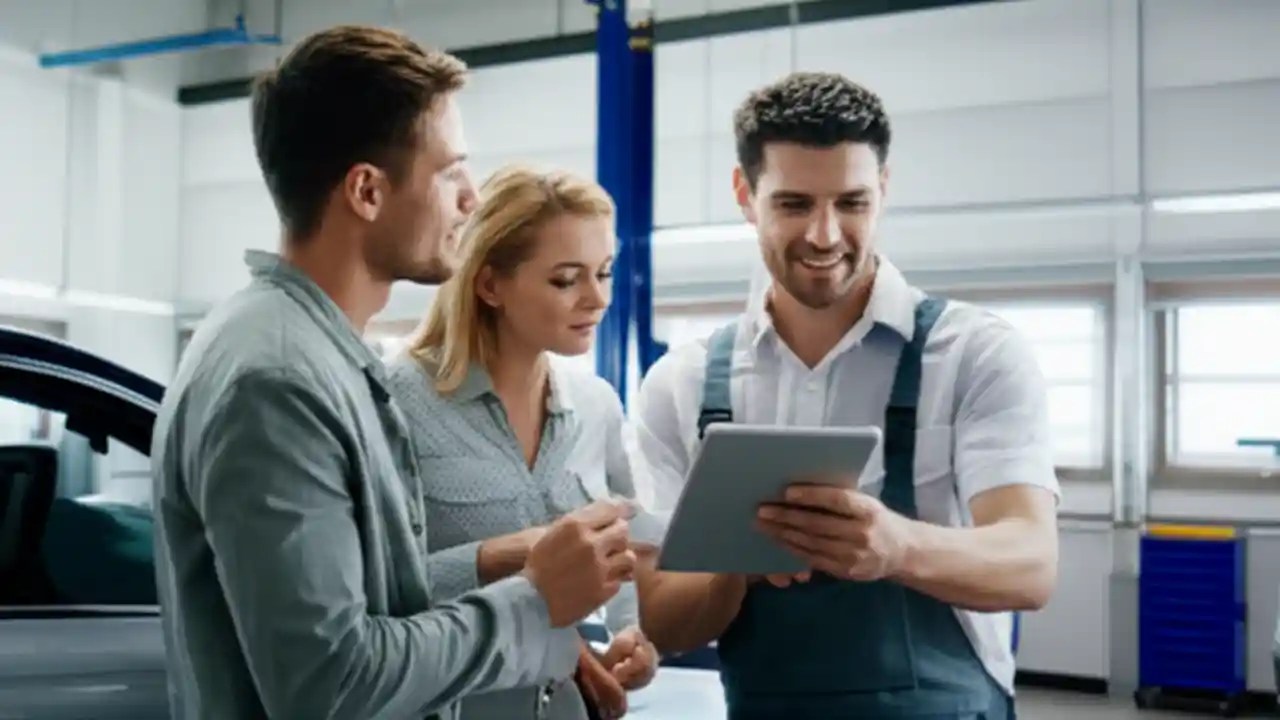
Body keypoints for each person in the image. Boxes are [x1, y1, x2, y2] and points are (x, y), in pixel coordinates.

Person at [151, 26, 637, 720]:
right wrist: (534, 604)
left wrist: (527, 606)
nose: (471, 199)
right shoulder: (279, 381)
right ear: (367, 191)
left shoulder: (315, 358)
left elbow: (376, 615)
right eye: (449, 172)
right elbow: (332, 684)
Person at [631, 71, 1061, 719]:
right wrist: (735, 564)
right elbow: (663, 623)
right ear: (745, 195)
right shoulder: (681, 385)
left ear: (882, 189)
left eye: (852, 203)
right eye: (794, 204)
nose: (826, 235)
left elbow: (1031, 565)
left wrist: (896, 547)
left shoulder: (974, 355)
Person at [385, 164, 659, 720]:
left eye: (604, 273)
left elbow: (622, 556)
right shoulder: (394, 401)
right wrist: (503, 557)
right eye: (566, 280)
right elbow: (374, 596)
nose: (597, 298)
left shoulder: (598, 405)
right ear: (490, 285)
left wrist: (631, 638)